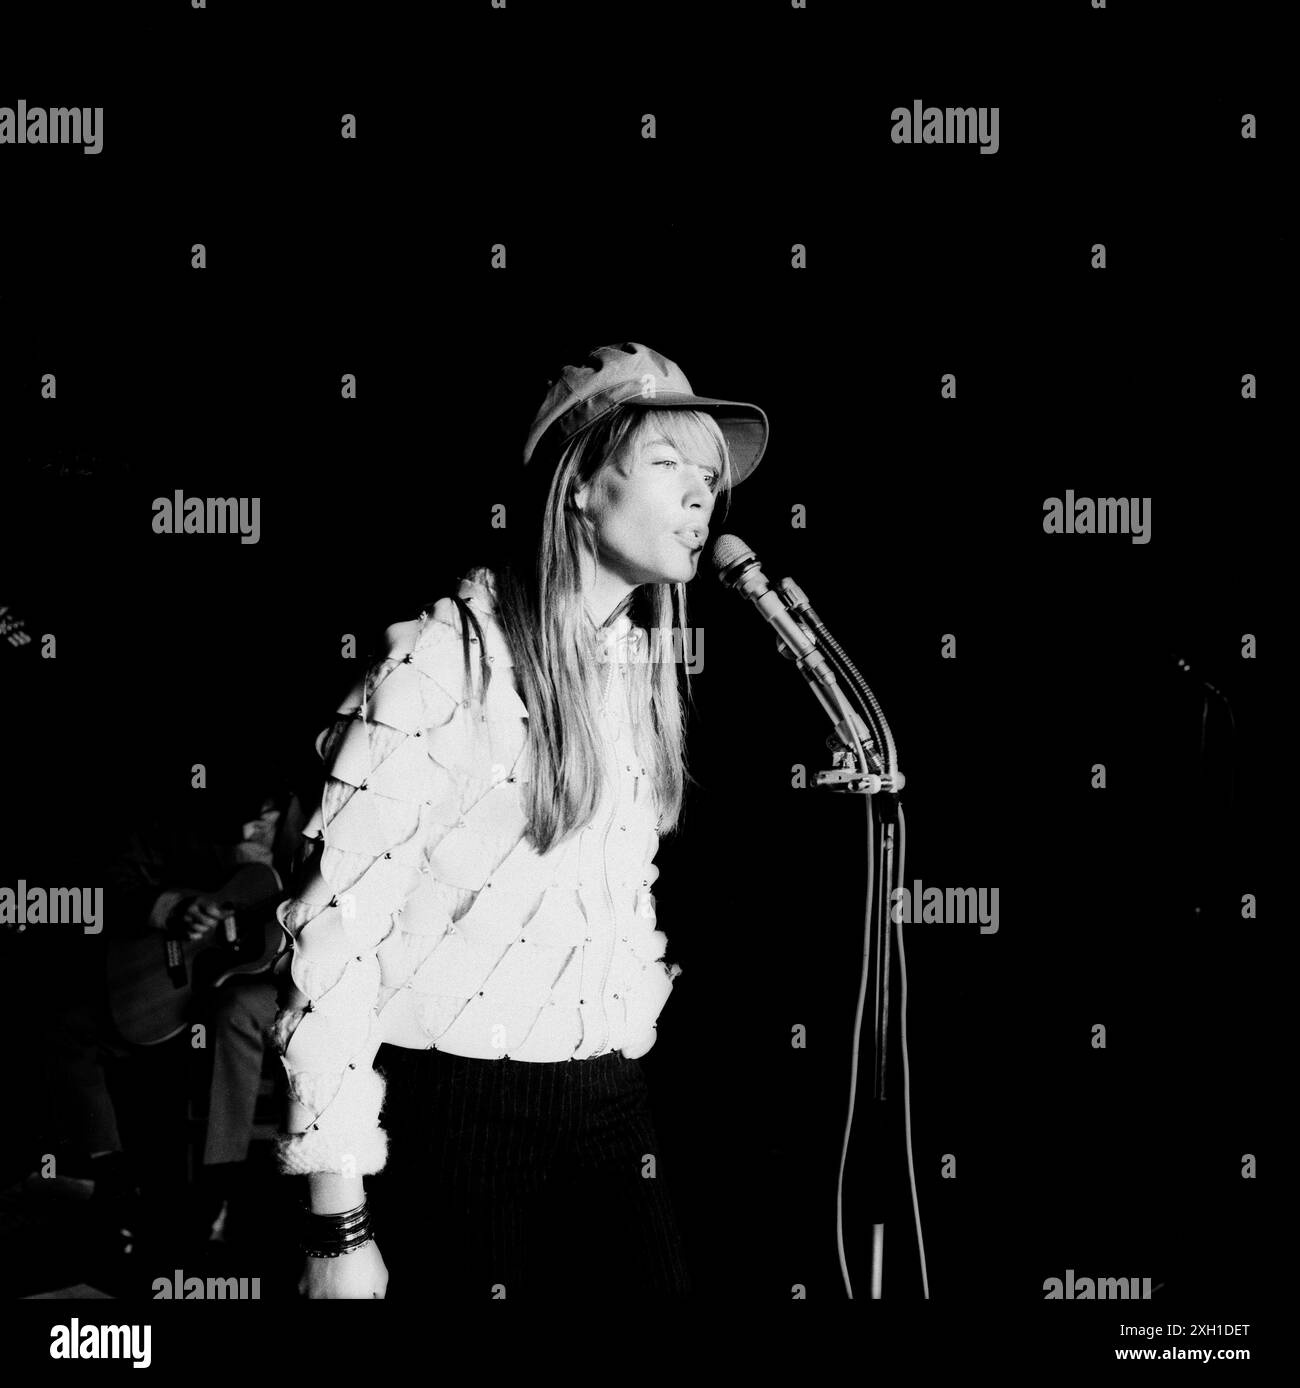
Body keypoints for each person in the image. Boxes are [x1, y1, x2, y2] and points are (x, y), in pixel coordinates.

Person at [274, 342, 769, 1299]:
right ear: (580, 485)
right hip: (465, 1111)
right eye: (667, 464)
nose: (701, 495)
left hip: (611, 1104)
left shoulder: (636, 672)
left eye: (709, 476)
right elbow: (334, 940)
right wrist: (338, 1227)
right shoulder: (441, 667)